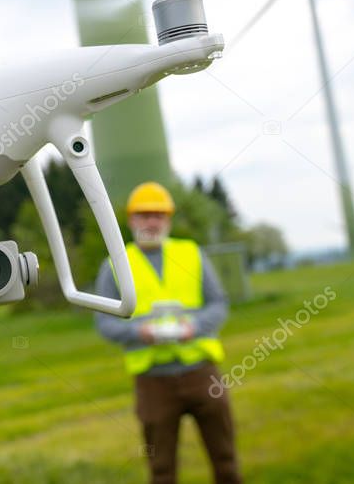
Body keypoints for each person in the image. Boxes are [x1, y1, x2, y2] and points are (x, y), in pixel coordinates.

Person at [94, 181, 242, 484]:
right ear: (131, 220)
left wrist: (195, 327)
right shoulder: (114, 266)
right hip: (153, 381)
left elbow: (218, 304)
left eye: (158, 215)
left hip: (202, 374)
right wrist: (139, 332)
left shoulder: (191, 254)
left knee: (225, 460)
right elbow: (104, 323)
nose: (151, 221)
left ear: (168, 220)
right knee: (161, 470)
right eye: (144, 215)